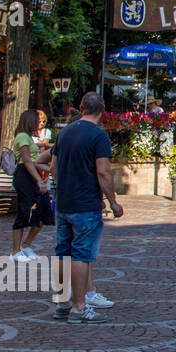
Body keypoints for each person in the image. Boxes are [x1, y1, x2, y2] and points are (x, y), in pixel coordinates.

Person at [52, 92, 123, 324]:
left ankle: (62, 303)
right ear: (102, 109)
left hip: (63, 202)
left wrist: (62, 188)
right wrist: (113, 201)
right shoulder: (98, 136)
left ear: (81, 107)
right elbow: (103, 171)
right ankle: (79, 306)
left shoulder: (64, 132)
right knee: (82, 254)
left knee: (62, 253)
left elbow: (53, 166)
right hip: (85, 204)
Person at [9, 109, 54, 261]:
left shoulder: (28, 137)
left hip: (32, 174)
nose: (39, 123)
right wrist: (39, 180)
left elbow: (34, 161)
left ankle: (26, 245)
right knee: (24, 212)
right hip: (25, 176)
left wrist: (50, 170)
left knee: (43, 211)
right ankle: (15, 251)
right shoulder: (22, 137)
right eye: (37, 120)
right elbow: (27, 161)